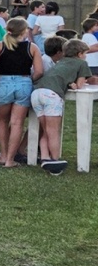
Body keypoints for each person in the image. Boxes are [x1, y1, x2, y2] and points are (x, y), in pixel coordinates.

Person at [31, 39, 97, 174]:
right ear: (79, 54)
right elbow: (80, 85)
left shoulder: (60, 62)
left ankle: (44, 158)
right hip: (52, 96)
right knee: (53, 130)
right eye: (85, 53)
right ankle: (55, 161)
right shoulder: (82, 63)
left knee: (45, 130)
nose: (86, 56)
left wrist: (68, 83)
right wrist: (74, 84)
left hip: (37, 93)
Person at [0, 17, 42, 168]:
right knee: (17, 123)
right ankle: (11, 159)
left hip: (3, 83)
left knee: (2, 121)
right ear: (24, 31)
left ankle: (3, 155)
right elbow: (39, 71)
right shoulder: (32, 47)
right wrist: (29, 79)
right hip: (24, 83)